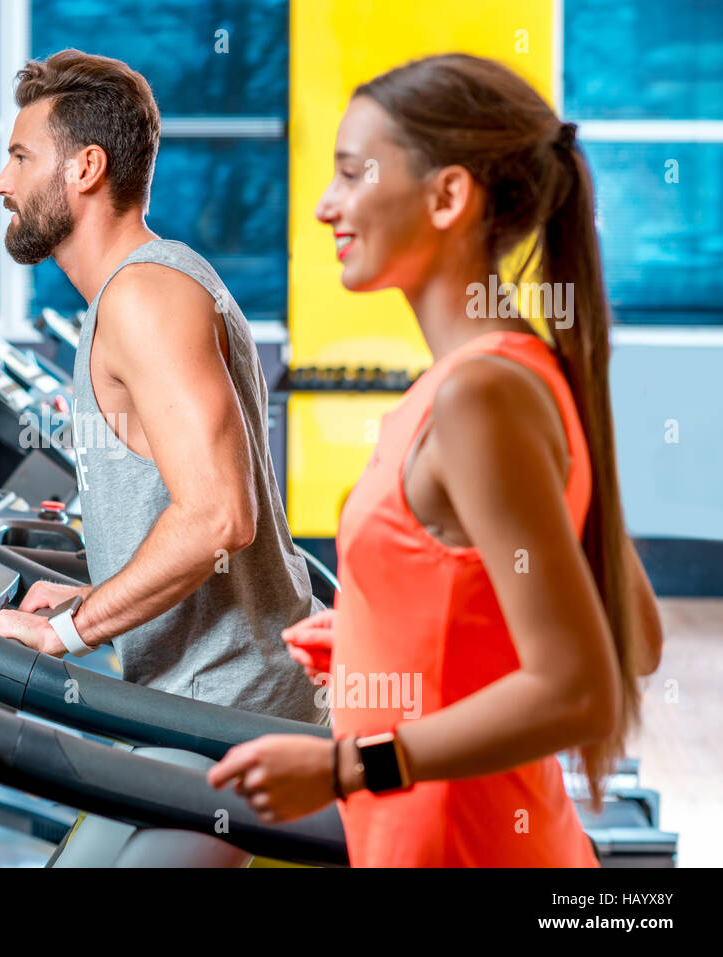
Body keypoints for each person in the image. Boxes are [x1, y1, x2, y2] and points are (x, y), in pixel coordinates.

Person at [208, 53, 664, 866]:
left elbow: (583, 689)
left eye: (351, 175)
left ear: (448, 195)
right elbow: (637, 634)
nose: (324, 206)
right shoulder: (503, 376)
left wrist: (348, 764)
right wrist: (377, 636)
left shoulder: (480, 397)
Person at [0, 49, 323, 721]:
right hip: (229, 694)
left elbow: (217, 516)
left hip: (228, 714)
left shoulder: (143, 293)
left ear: (85, 167)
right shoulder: (145, 285)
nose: (2, 184)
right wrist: (87, 592)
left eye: (21, 158)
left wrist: (68, 628)